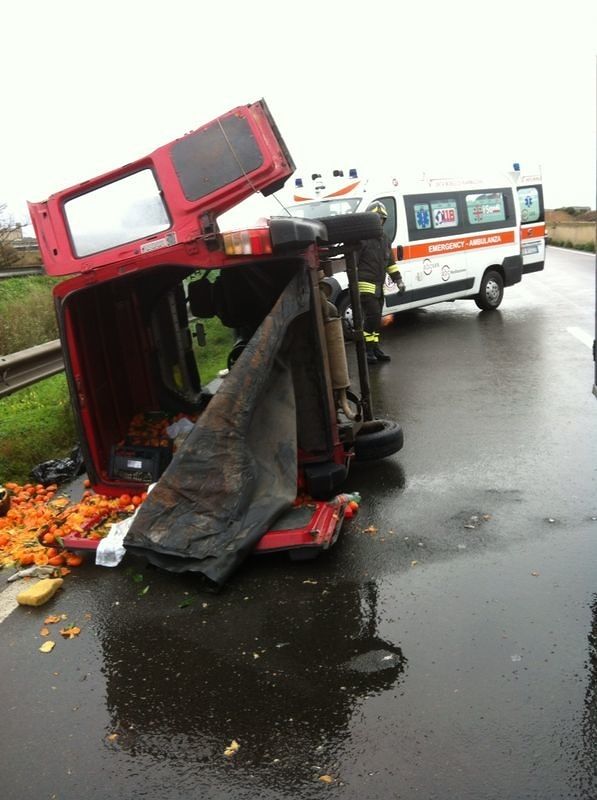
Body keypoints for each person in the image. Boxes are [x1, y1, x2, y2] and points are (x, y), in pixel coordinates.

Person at [358, 201, 405, 364]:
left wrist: (398, 280)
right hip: (365, 285)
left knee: (377, 318)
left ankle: (375, 348)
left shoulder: (384, 238)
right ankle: (367, 350)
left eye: (381, 219)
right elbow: (352, 264)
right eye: (376, 218)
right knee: (372, 317)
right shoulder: (361, 239)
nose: (379, 222)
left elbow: (390, 263)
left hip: (379, 286)